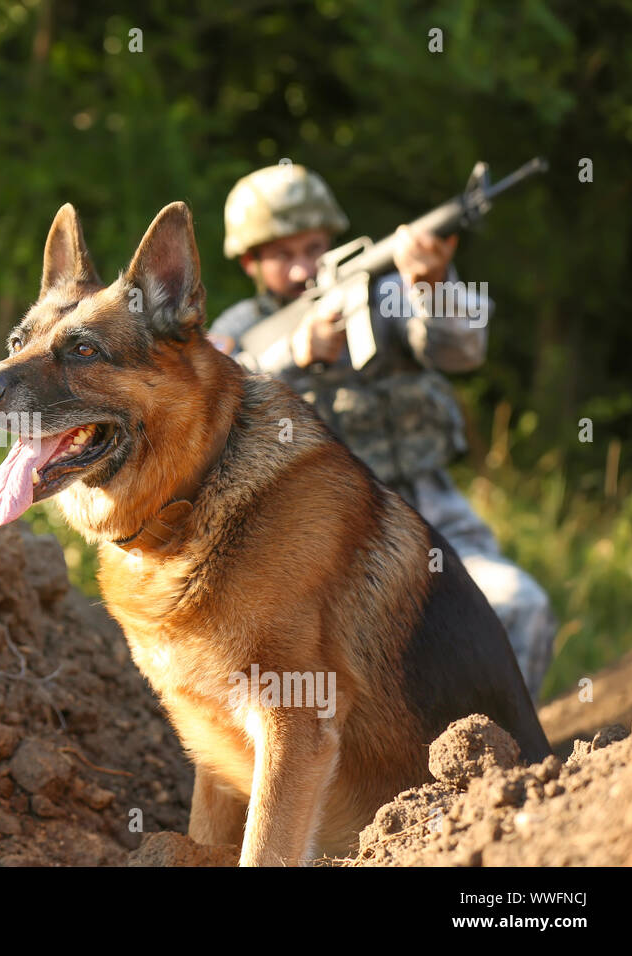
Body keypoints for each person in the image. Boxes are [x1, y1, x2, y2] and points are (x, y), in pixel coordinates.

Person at [209, 163, 555, 698]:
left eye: (315, 247)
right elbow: (214, 413)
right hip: (327, 537)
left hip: (429, 510)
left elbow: (463, 353)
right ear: (251, 260)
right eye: (283, 254)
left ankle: (499, 757)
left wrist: (432, 287)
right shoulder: (234, 334)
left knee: (519, 608)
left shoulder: (386, 293)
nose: (303, 269)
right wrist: (291, 356)